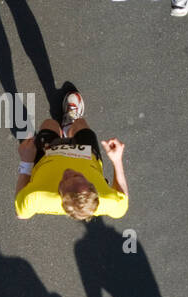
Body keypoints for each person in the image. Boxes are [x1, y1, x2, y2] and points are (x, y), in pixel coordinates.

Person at [15, 86, 128, 220]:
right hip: (87, 156)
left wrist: (26, 163)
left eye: (64, 180)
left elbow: (20, 213)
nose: (68, 170)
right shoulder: (107, 201)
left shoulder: (38, 198)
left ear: (60, 197)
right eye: (78, 176)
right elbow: (122, 198)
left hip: (47, 157)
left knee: (49, 124)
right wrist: (117, 160)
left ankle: (60, 130)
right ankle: (70, 124)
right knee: (80, 124)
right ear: (93, 188)